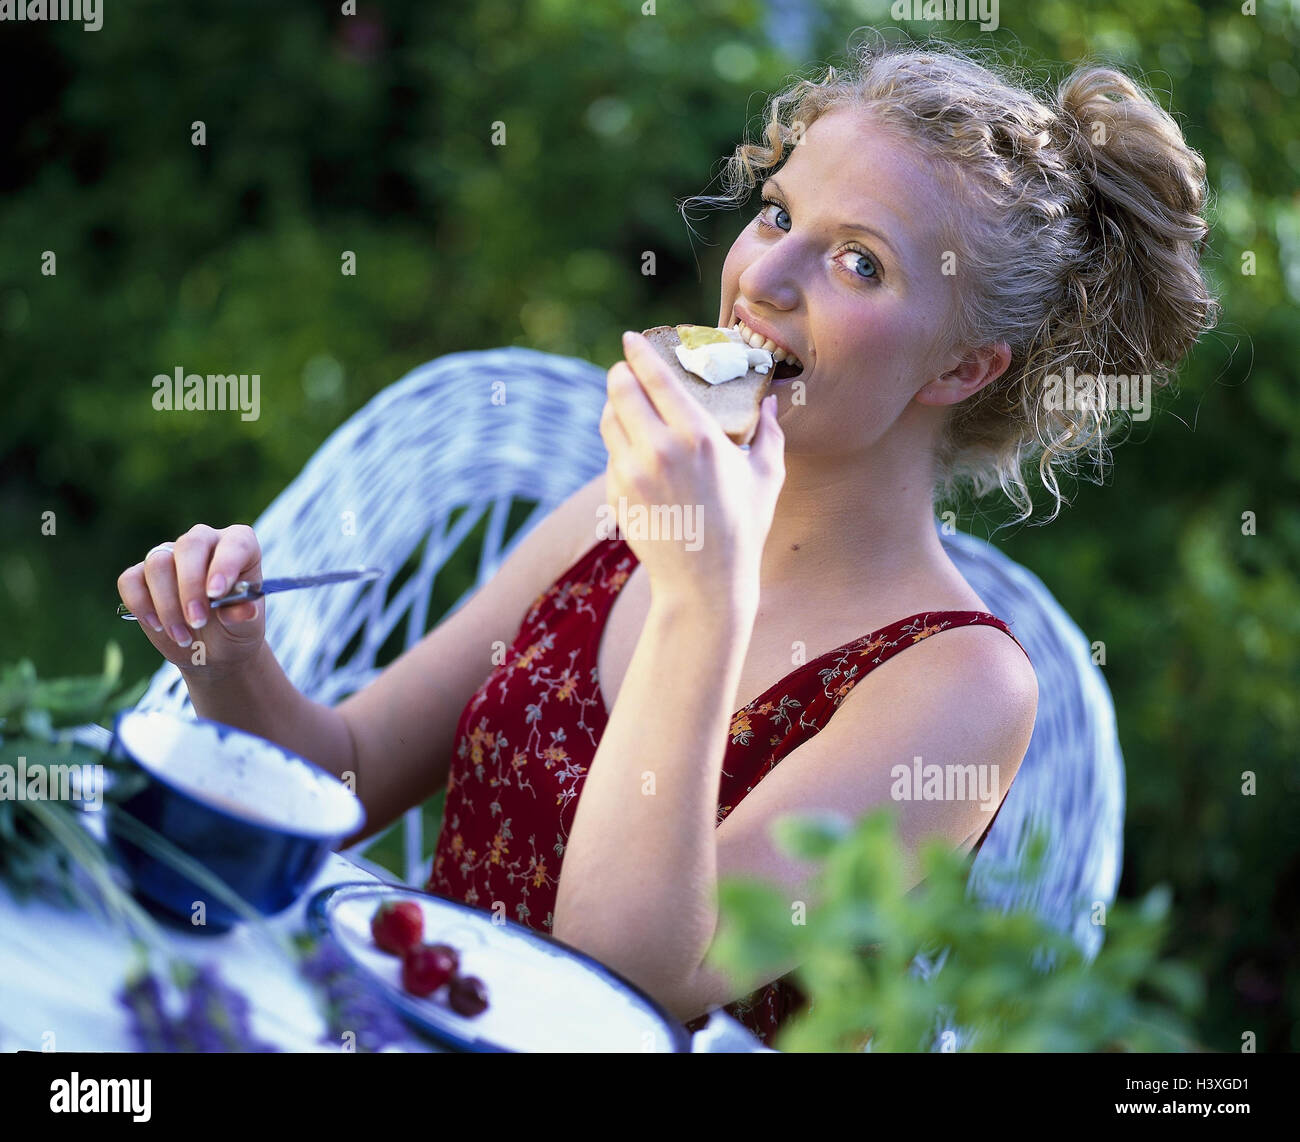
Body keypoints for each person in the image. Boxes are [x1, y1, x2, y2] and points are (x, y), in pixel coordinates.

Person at [116, 37, 1218, 1048]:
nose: (762, 283)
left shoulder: (960, 685)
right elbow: (348, 774)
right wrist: (229, 655)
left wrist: (702, 595)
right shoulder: (615, 515)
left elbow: (618, 976)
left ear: (962, 367)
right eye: (781, 215)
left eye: (860, 264)